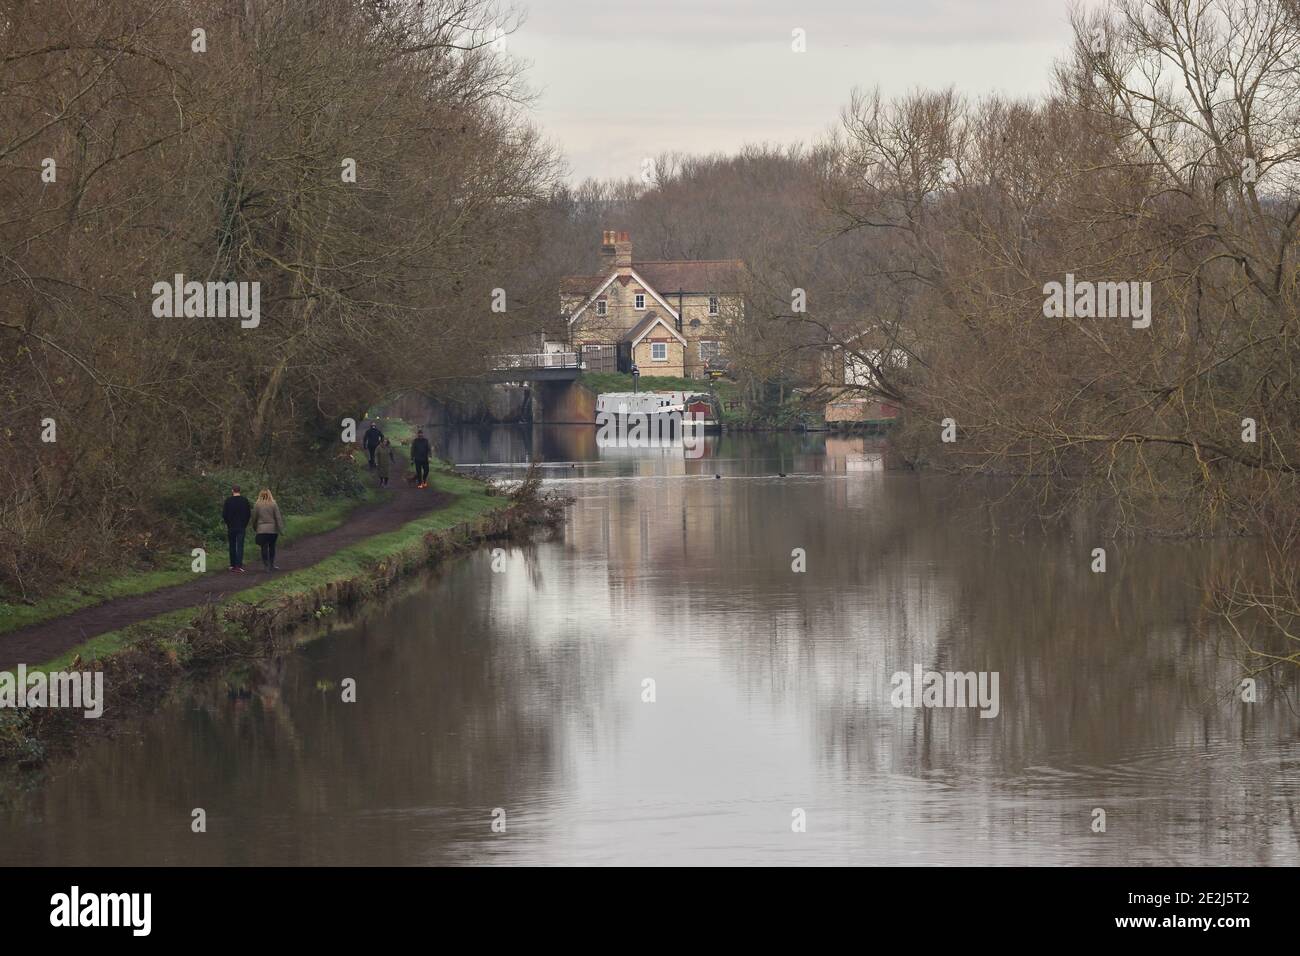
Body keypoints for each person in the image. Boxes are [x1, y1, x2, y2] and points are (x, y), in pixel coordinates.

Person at [252, 488, 286, 571]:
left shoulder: (257, 504)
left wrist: (255, 527)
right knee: (272, 547)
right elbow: (278, 517)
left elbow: (254, 517)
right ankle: (272, 564)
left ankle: (266, 565)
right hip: (272, 530)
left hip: (261, 530)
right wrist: (281, 529)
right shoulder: (273, 504)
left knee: (263, 547)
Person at [221, 484, 252, 572]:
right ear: (240, 491)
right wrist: (244, 524)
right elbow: (248, 514)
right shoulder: (244, 500)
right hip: (241, 526)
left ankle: (232, 564)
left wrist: (228, 523)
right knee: (240, 545)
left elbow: (224, 515)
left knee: (232, 545)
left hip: (231, 526)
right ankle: (239, 565)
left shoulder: (228, 501)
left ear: (232, 491)